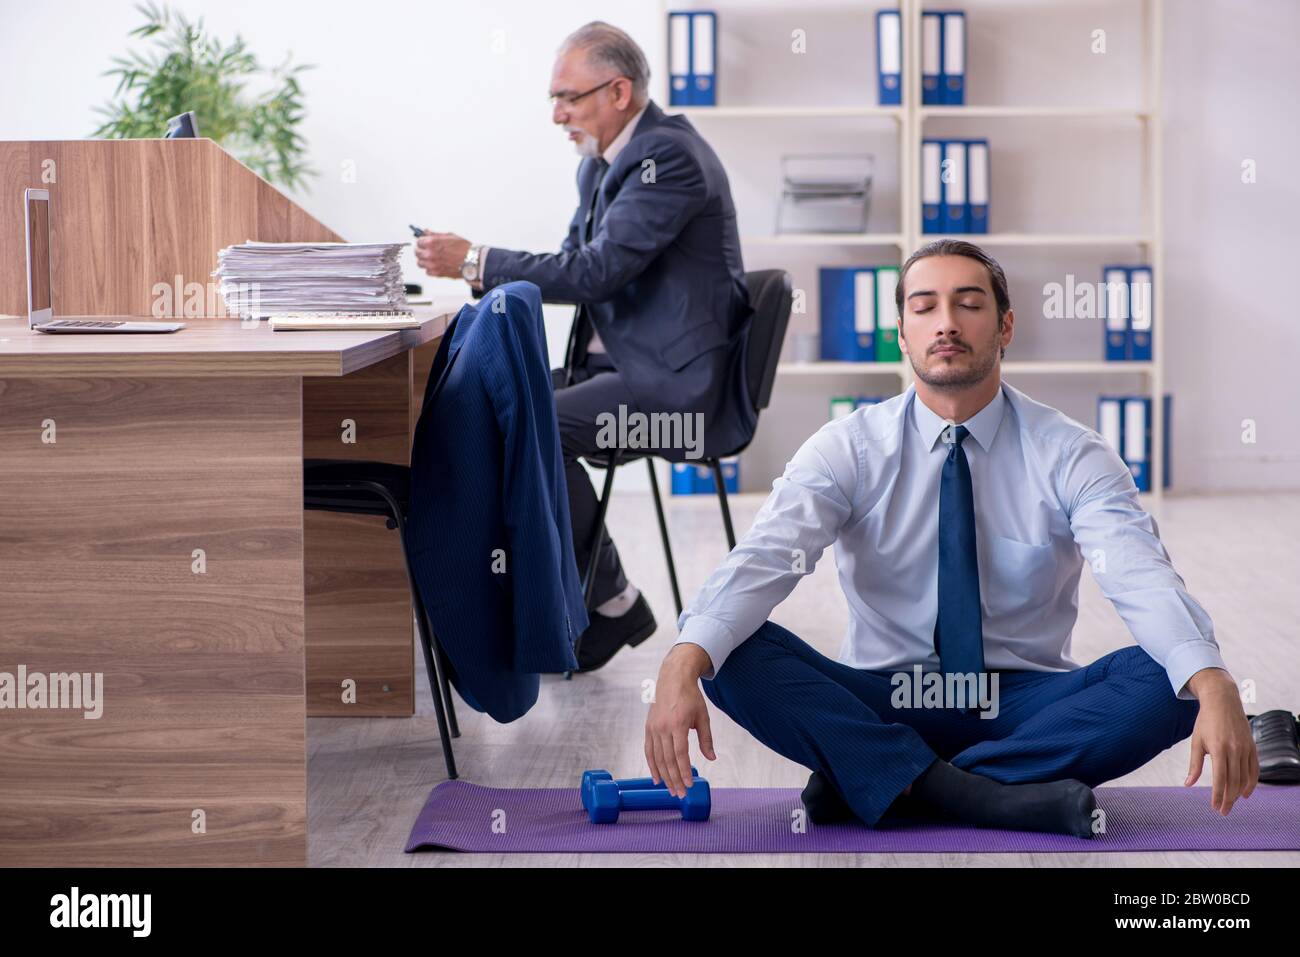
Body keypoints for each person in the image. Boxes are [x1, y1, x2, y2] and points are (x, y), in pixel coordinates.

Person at [644, 239, 1259, 838]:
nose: (947, 323)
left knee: (1171, 679)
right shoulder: (848, 447)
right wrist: (682, 658)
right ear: (903, 331)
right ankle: (985, 793)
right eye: (924, 307)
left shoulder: (1072, 453)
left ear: (1005, 326)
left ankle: (883, 779)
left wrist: (1214, 681)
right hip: (885, 694)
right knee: (726, 649)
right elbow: (768, 556)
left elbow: (1139, 574)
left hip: (1021, 704)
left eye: (969, 303)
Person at [416, 22, 753, 672]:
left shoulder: (667, 158)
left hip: (674, 389)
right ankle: (600, 601)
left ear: (619, 90)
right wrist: (481, 264)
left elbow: (595, 272)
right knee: (483, 405)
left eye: (568, 97)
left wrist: (476, 260)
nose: (557, 115)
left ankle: (592, 605)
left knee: (533, 421)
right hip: (624, 367)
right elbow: (576, 262)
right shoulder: (604, 166)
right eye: (554, 99)